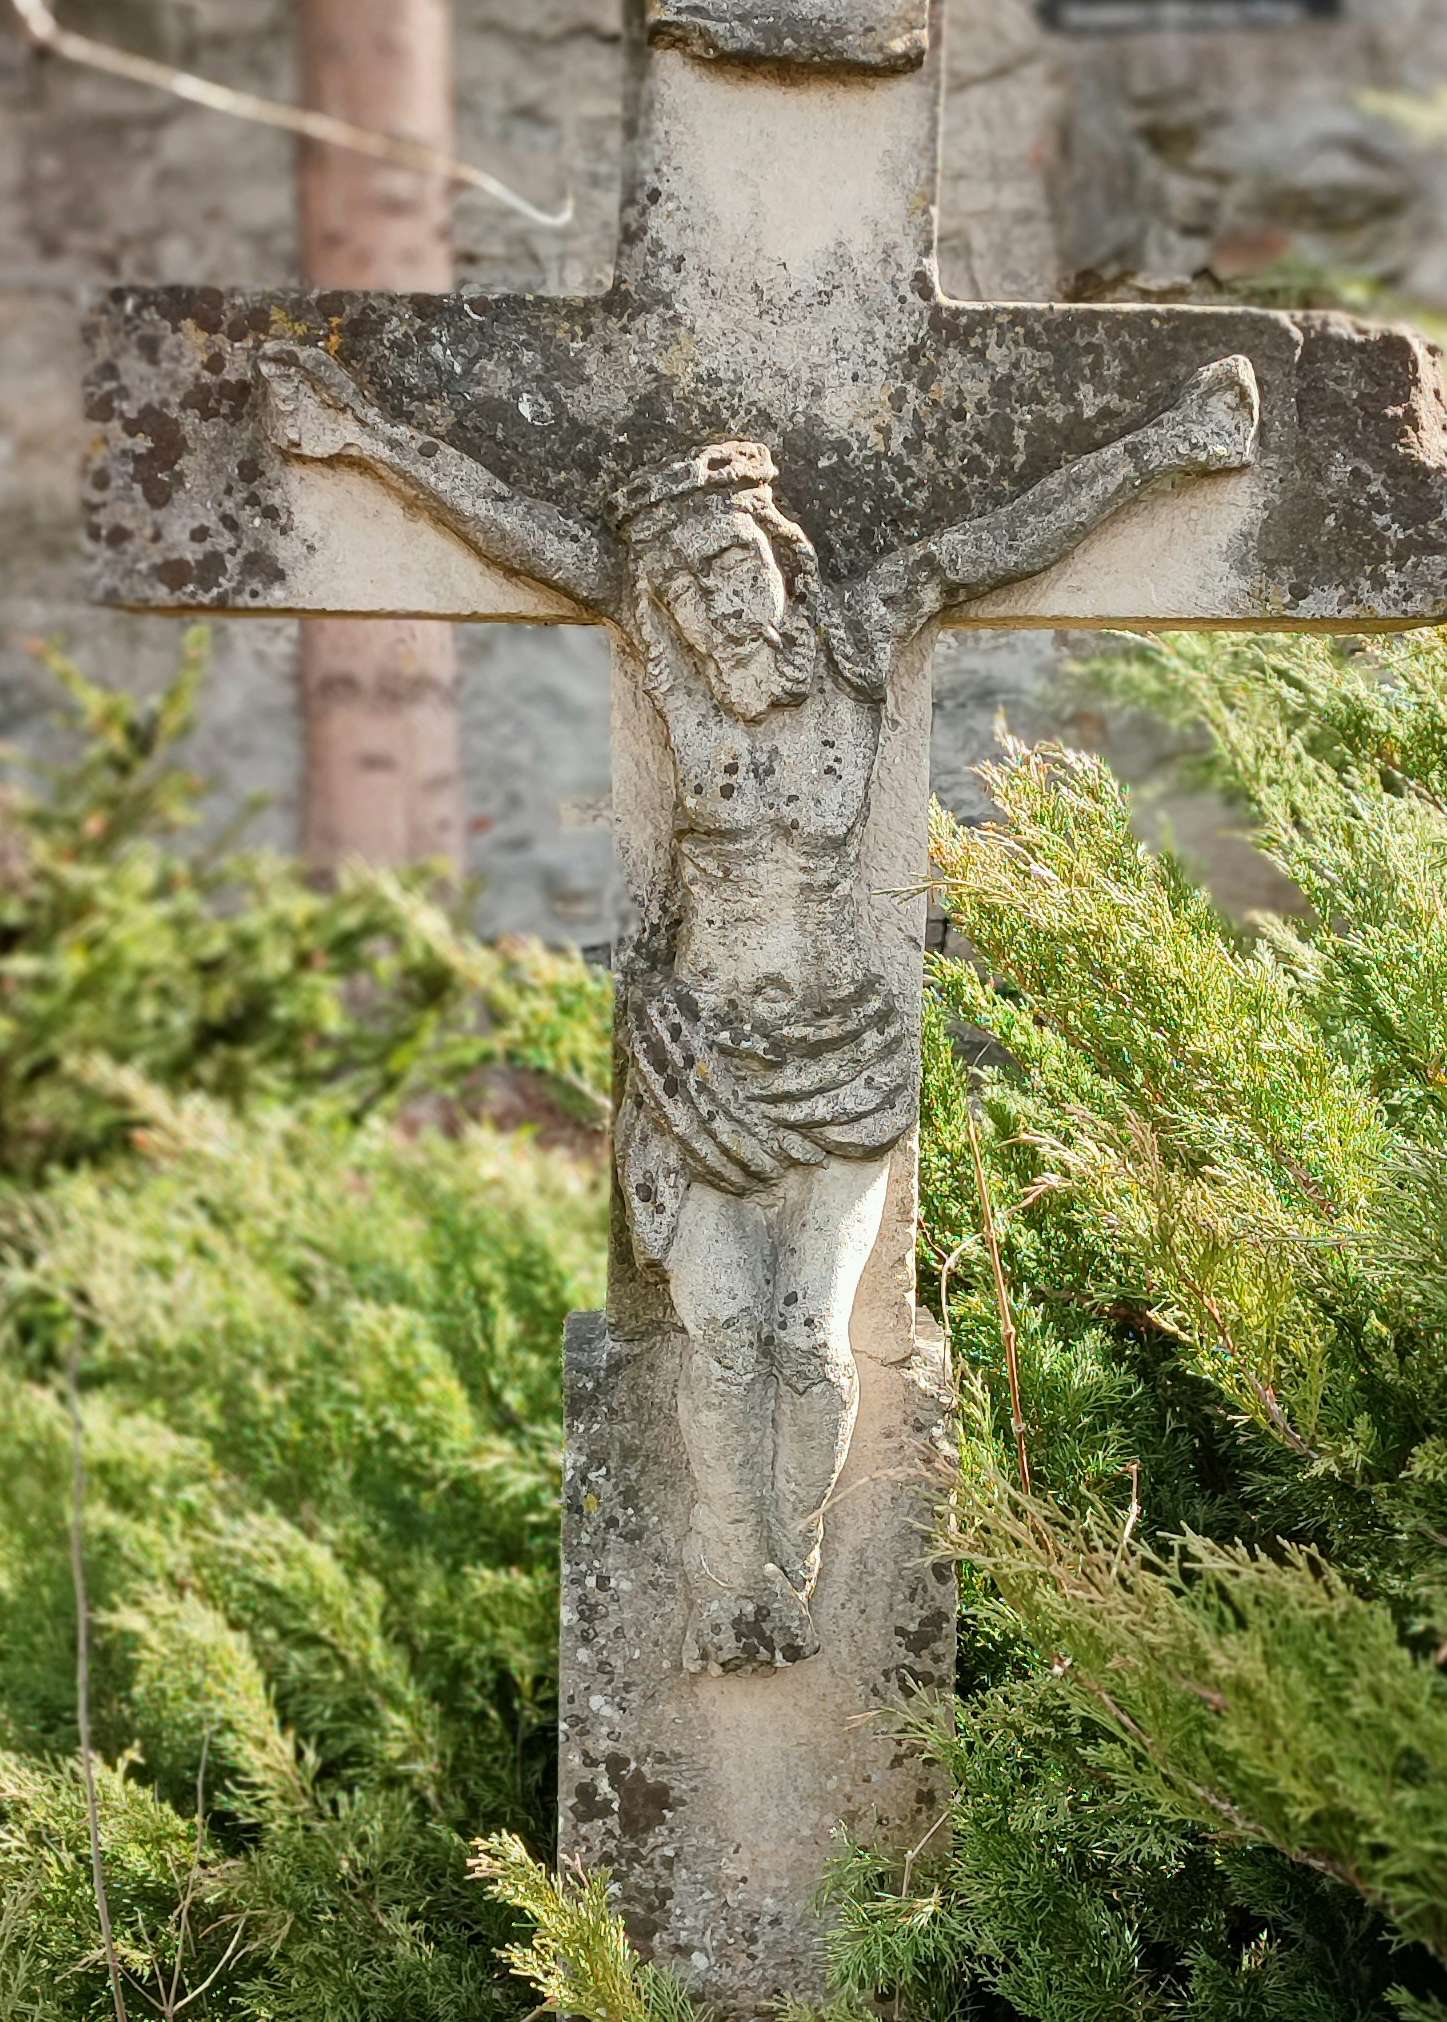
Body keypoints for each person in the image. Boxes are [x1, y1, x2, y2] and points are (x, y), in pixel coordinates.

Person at [256, 335, 1257, 1670]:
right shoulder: (674, 674)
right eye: (685, 589)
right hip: (701, 1058)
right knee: (720, 1336)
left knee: (815, 1342)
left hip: (839, 1057)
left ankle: (785, 1571)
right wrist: (363, 441)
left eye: (736, 567)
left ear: (784, 556)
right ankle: (736, 1584)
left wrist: (1168, 449)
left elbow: (1005, 540)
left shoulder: (865, 638)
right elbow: (519, 535)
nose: (717, 602)